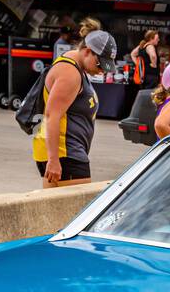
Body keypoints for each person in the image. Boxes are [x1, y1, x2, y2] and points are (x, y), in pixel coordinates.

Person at [32, 29, 116, 185]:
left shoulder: (75, 66)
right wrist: (53, 160)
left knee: (58, 201)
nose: (102, 70)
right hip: (65, 153)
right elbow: (52, 116)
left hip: (66, 153)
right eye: (100, 64)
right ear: (87, 51)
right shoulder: (69, 72)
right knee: (80, 201)